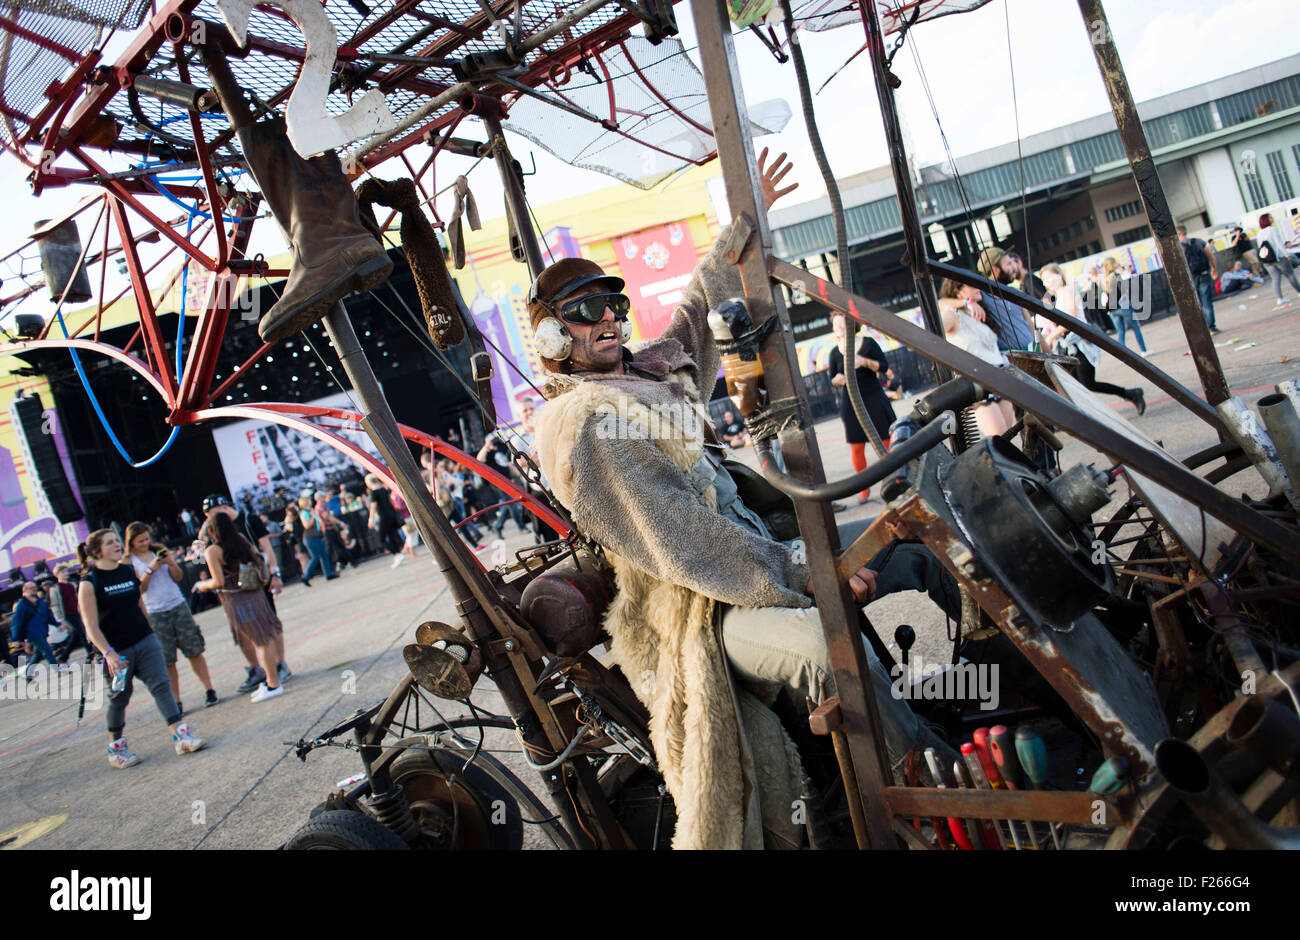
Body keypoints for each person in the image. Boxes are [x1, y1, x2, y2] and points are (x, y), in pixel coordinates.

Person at [527, 149, 959, 849]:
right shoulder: (586, 424)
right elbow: (682, 540)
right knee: (825, 645)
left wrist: (745, 218)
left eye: (614, 304)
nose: (607, 317)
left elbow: (698, 312)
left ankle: (947, 721)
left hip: (757, 563)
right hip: (695, 612)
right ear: (551, 333)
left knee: (915, 559)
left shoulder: (644, 378)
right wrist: (805, 572)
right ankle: (936, 796)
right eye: (583, 311)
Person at [77, 529, 206, 768]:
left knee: (161, 685)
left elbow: (140, 605)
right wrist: (109, 654)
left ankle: (181, 735)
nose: (117, 545)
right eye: (110, 543)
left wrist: (151, 634)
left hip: (145, 641)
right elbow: (90, 627)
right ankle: (117, 748)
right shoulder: (89, 583)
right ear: (96, 551)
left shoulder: (128, 570)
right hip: (116, 651)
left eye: (117, 540)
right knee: (119, 698)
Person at [125, 521, 218, 712]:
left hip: (177, 604)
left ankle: (209, 689)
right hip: (155, 612)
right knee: (167, 660)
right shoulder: (128, 562)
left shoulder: (158, 550)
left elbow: (178, 577)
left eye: (147, 539)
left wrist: (170, 563)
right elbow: (139, 589)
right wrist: (150, 569)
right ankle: (176, 701)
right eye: (140, 541)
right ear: (131, 541)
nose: (145, 543)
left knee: (194, 650)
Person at [201, 495, 291, 691]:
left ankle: (279, 667)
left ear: (223, 508)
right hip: (235, 593)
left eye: (211, 513)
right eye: (206, 515)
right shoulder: (212, 533)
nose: (208, 518)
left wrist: (275, 574)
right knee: (246, 635)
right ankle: (259, 670)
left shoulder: (248, 520)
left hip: (253, 587)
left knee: (267, 630)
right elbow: (198, 557)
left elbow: (266, 549)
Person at [1038, 263, 1145, 415]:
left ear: (1059, 275)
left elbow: (1071, 318)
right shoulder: (1057, 296)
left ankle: (1131, 394)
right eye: (1043, 280)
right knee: (1075, 384)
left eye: (1048, 278)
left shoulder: (1068, 291)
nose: (1045, 282)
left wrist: (1051, 337)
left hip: (1079, 342)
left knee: (1087, 383)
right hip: (1070, 344)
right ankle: (1092, 413)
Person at [827, 313, 895, 503]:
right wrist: (837, 380)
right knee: (857, 446)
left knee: (886, 440)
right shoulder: (834, 352)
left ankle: (895, 477)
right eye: (836, 324)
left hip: (873, 395)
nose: (839, 327)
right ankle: (864, 488)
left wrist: (865, 362)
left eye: (842, 323)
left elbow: (884, 366)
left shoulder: (868, 343)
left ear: (851, 325)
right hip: (851, 401)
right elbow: (832, 378)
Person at [936, 279, 1017, 436]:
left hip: (999, 378)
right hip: (978, 382)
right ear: (958, 291)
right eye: (971, 284)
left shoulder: (979, 313)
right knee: (998, 437)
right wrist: (966, 302)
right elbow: (935, 327)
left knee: (1006, 438)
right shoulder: (952, 314)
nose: (977, 287)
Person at [975, 246, 1044, 350]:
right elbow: (947, 302)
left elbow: (1032, 327)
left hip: (1034, 351)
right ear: (995, 270)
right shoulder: (980, 296)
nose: (1013, 268)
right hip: (1012, 357)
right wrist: (968, 302)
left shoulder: (1014, 292)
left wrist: (1050, 354)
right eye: (1008, 264)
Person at [11, 581, 66, 679]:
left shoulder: (40, 602)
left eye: (35, 587)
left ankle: (27, 673)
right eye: (31, 588)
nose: (34, 589)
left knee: (38, 654)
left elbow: (48, 615)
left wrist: (57, 624)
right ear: (24, 591)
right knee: (47, 650)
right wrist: (15, 638)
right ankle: (57, 670)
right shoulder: (22, 605)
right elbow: (17, 622)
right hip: (33, 633)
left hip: (43, 631)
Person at [1102, 256, 1149, 355]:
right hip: (1122, 306)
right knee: (1135, 327)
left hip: (1112, 309)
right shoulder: (1116, 276)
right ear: (1112, 264)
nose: (1117, 263)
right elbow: (1123, 291)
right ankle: (1144, 350)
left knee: (1121, 332)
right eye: (1115, 262)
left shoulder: (1105, 279)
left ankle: (1122, 354)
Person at [1176, 224, 1220, 333]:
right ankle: (1211, 327)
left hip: (1190, 277)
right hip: (1204, 273)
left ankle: (1201, 328)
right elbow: (1211, 257)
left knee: (1194, 303)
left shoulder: (1178, 247)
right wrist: (1214, 269)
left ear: (1178, 234)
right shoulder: (1199, 242)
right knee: (1206, 301)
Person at [49, 562, 94, 661]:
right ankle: (90, 653)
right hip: (67, 615)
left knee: (76, 635)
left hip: (76, 612)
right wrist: (61, 619)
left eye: (66, 571)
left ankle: (63, 657)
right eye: (62, 572)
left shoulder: (72, 585)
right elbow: (55, 605)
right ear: (57, 574)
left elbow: (77, 599)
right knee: (82, 633)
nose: (65, 574)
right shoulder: (55, 588)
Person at [1256, 212, 1300, 308]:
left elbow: (1260, 247)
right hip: (1278, 257)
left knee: (1275, 278)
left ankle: (1280, 298)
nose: (1273, 218)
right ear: (1267, 220)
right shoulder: (1273, 229)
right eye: (1270, 217)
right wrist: (1286, 254)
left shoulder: (1259, 233)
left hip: (1267, 260)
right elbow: (1278, 243)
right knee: (1290, 275)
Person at [365, 473, 407, 566]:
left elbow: (373, 507)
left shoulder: (374, 493)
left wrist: (371, 519)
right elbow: (391, 501)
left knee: (382, 538)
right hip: (391, 514)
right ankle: (398, 555)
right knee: (392, 536)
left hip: (384, 516)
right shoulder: (384, 490)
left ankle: (397, 555)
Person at [296, 494, 337, 583]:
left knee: (324, 555)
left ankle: (329, 573)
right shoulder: (305, 513)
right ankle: (306, 576)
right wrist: (312, 516)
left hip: (317, 536)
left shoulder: (311, 511)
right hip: (310, 538)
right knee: (315, 557)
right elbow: (307, 525)